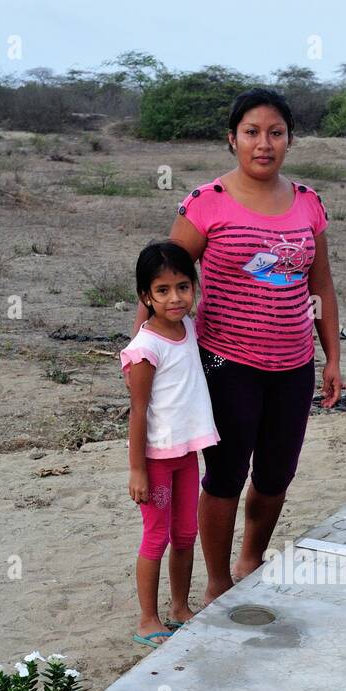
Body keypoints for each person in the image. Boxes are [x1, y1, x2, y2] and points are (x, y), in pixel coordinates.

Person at [134, 86, 342, 603]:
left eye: (275, 132)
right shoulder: (207, 204)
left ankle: (251, 561)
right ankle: (217, 581)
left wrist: (332, 356)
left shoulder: (309, 204)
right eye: (252, 132)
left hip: (294, 365)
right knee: (226, 476)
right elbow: (161, 282)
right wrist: (145, 356)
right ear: (232, 140)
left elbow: (322, 286)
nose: (264, 143)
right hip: (227, 363)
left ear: (289, 140)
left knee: (276, 474)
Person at [121, 241, 219, 646]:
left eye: (183, 286)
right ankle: (148, 619)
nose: (175, 298)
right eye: (162, 291)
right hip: (158, 460)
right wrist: (138, 470)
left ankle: (179, 608)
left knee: (185, 533)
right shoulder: (145, 350)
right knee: (156, 536)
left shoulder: (188, 328)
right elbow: (138, 411)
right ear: (146, 296)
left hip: (186, 455)